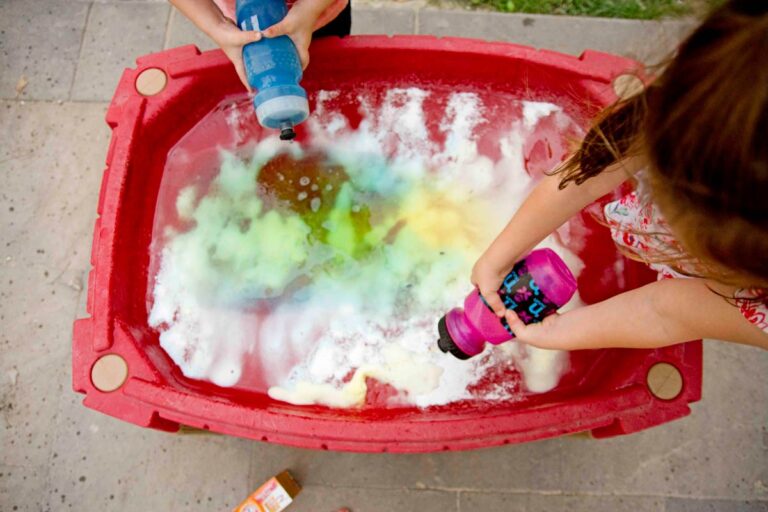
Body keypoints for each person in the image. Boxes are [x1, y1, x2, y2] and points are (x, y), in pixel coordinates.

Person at [471, 0, 768, 351]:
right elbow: (591, 168)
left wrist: (560, 334)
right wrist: (498, 258)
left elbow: (666, 312)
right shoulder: (724, 93)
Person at [170, 0, 351, 91]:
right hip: (243, 21)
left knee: (327, 68)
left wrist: (310, 8)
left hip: (318, 11)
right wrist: (216, 25)